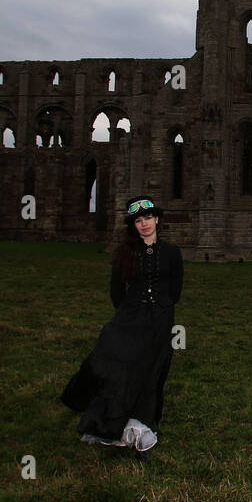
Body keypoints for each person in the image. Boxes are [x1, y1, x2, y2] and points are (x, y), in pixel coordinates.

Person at [61, 195, 182, 460]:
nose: (144, 224)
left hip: (161, 324)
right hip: (130, 320)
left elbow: (175, 290)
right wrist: (130, 314)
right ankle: (112, 422)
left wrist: (159, 310)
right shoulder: (126, 254)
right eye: (138, 220)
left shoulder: (172, 253)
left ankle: (146, 434)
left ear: (157, 219)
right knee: (118, 369)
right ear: (133, 226)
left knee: (152, 377)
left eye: (148, 217)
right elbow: (116, 291)